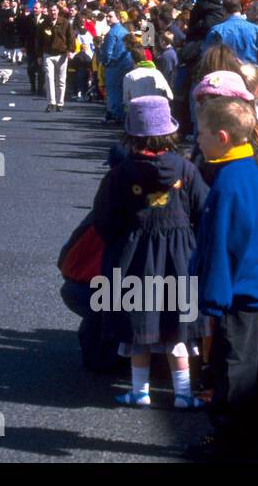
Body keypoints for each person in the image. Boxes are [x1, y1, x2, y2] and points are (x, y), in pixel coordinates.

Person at [89, 95, 209, 409]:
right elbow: (204, 209)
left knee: (136, 327)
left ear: (131, 135)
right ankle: (183, 393)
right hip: (179, 258)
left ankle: (140, 390)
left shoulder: (120, 174)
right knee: (177, 329)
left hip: (132, 258)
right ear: (170, 132)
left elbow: (103, 218)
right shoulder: (185, 170)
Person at [188, 95, 258, 461]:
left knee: (232, 368)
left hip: (233, 292)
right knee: (251, 367)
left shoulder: (228, 183)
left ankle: (232, 442)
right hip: (249, 288)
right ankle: (254, 436)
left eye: (202, 134)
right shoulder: (246, 169)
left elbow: (224, 247)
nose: (198, 140)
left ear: (221, 137)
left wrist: (211, 298)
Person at [40, 3, 74, 112]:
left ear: (58, 11)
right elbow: (38, 40)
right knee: (49, 78)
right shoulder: (44, 23)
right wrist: (38, 55)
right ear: (48, 11)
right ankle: (51, 102)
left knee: (61, 80)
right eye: (51, 10)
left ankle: (60, 103)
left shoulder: (65, 23)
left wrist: (70, 50)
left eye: (54, 10)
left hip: (62, 54)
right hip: (48, 54)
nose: (52, 12)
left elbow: (71, 37)